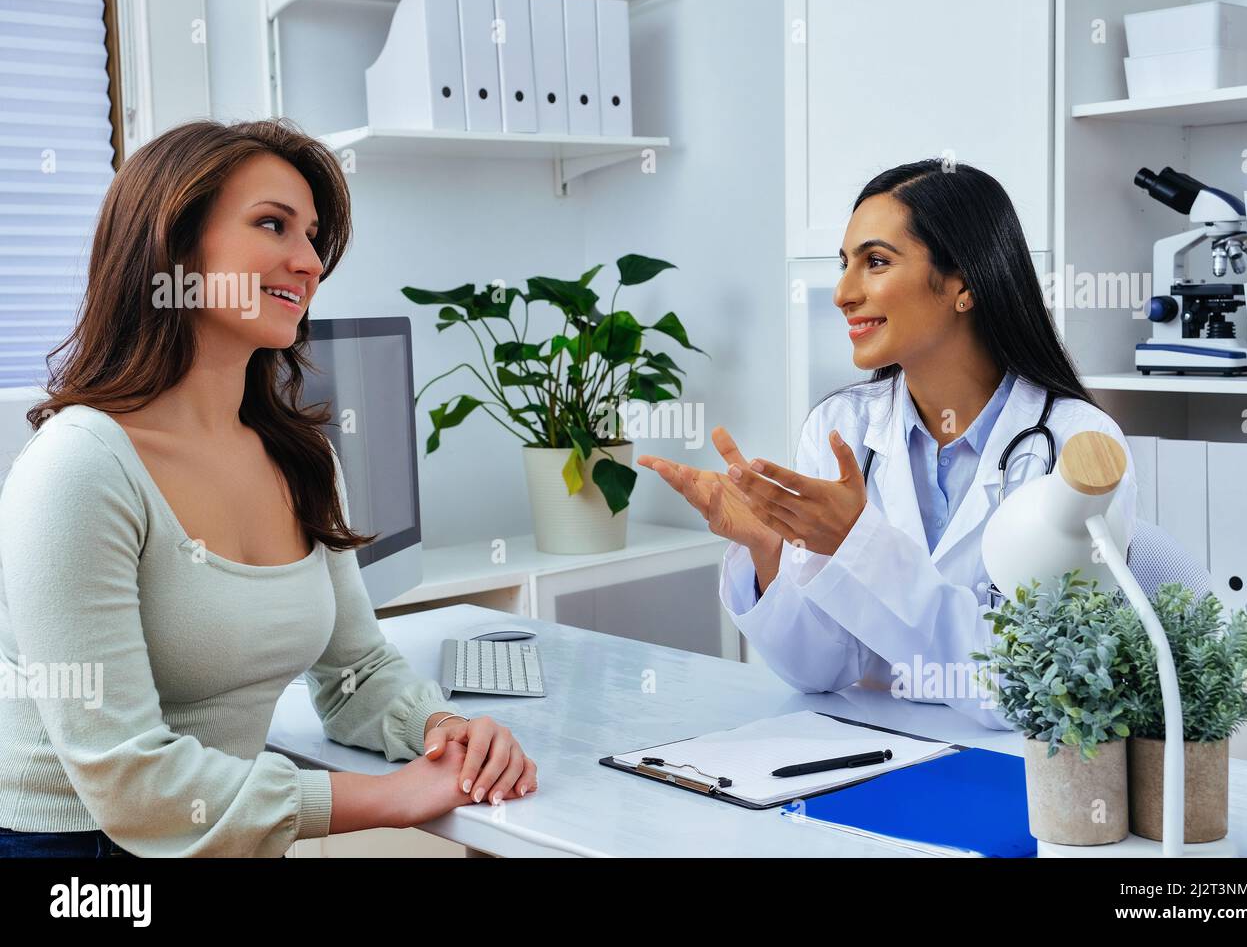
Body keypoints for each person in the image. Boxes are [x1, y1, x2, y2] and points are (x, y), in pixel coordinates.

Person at [0, 119, 536, 857]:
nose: (309, 262)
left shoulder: (301, 456)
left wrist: (444, 732)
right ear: (172, 246)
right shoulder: (77, 468)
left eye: (313, 237)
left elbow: (355, 674)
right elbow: (129, 782)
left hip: (227, 833)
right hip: (79, 853)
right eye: (273, 225)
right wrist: (389, 798)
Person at [640, 159, 1136, 728]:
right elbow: (821, 670)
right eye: (845, 265)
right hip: (872, 756)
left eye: (875, 262)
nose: (844, 293)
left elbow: (1032, 687)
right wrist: (767, 551)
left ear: (964, 284)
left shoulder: (1079, 446)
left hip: (1015, 771)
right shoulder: (842, 428)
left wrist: (858, 542)